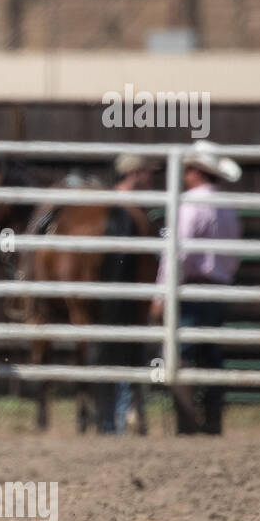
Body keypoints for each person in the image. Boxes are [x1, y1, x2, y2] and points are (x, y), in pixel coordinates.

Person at [149, 142, 242, 435]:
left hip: (191, 288)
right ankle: (212, 423)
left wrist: (162, 294)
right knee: (210, 354)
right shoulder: (227, 207)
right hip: (218, 286)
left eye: (188, 169)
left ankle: (188, 425)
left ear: (197, 172)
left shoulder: (190, 203)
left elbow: (178, 254)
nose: (185, 175)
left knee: (182, 354)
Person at [96, 153, 159, 434]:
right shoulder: (134, 212)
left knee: (106, 348)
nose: (152, 179)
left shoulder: (105, 205)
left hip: (105, 299)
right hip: (130, 298)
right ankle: (124, 414)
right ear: (135, 173)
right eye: (147, 173)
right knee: (129, 346)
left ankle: (109, 420)